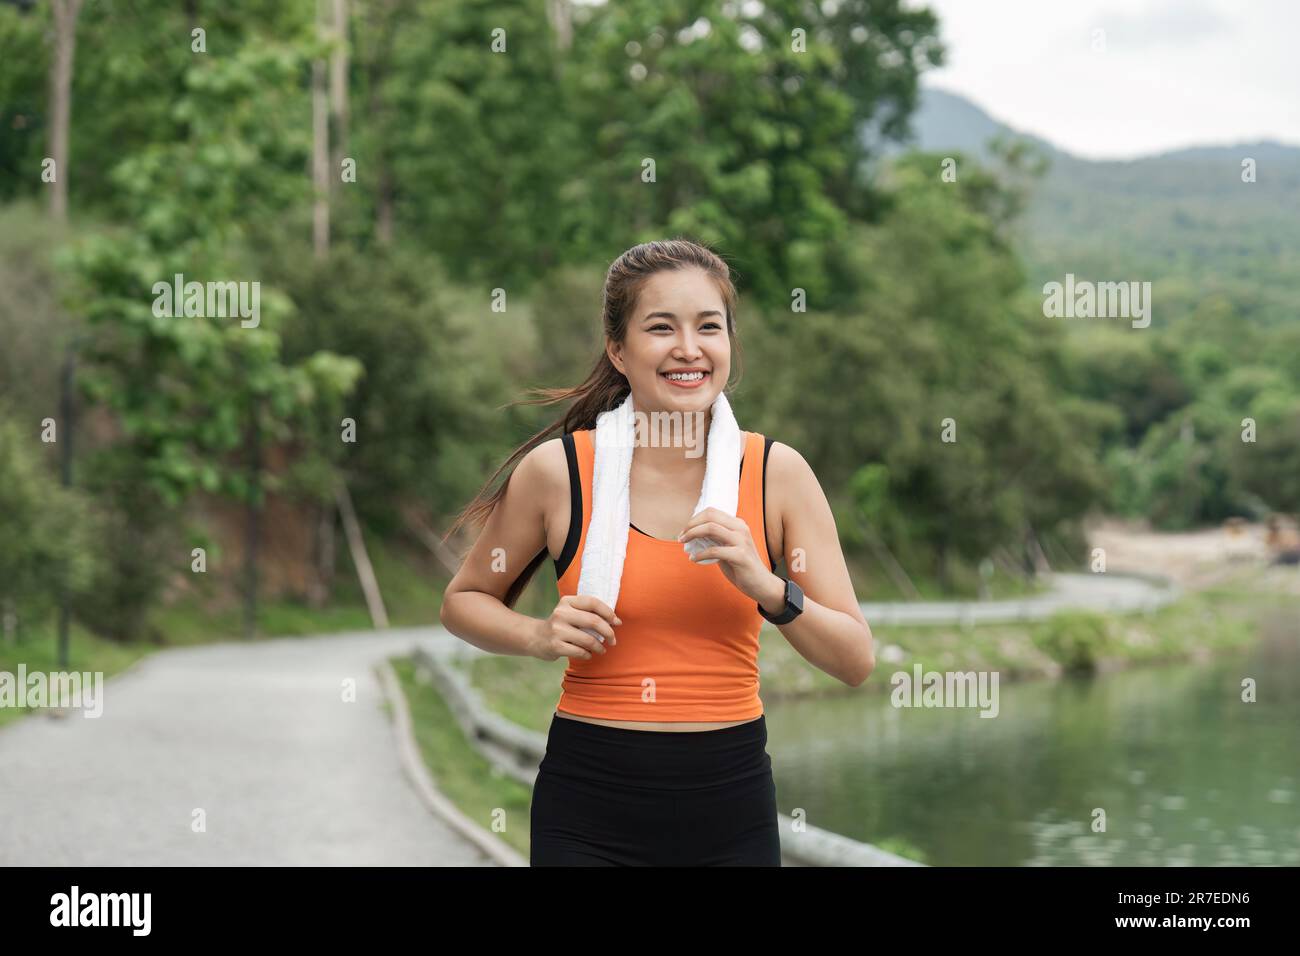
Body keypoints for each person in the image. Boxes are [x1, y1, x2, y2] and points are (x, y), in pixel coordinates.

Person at [440, 238, 874, 866]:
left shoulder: (776, 474)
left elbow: (856, 660)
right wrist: (538, 636)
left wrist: (769, 587)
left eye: (709, 327)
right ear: (618, 350)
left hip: (730, 811)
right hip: (587, 809)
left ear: (729, 344)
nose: (688, 349)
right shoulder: (559, 473)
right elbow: (464, 602)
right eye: (661, 328)